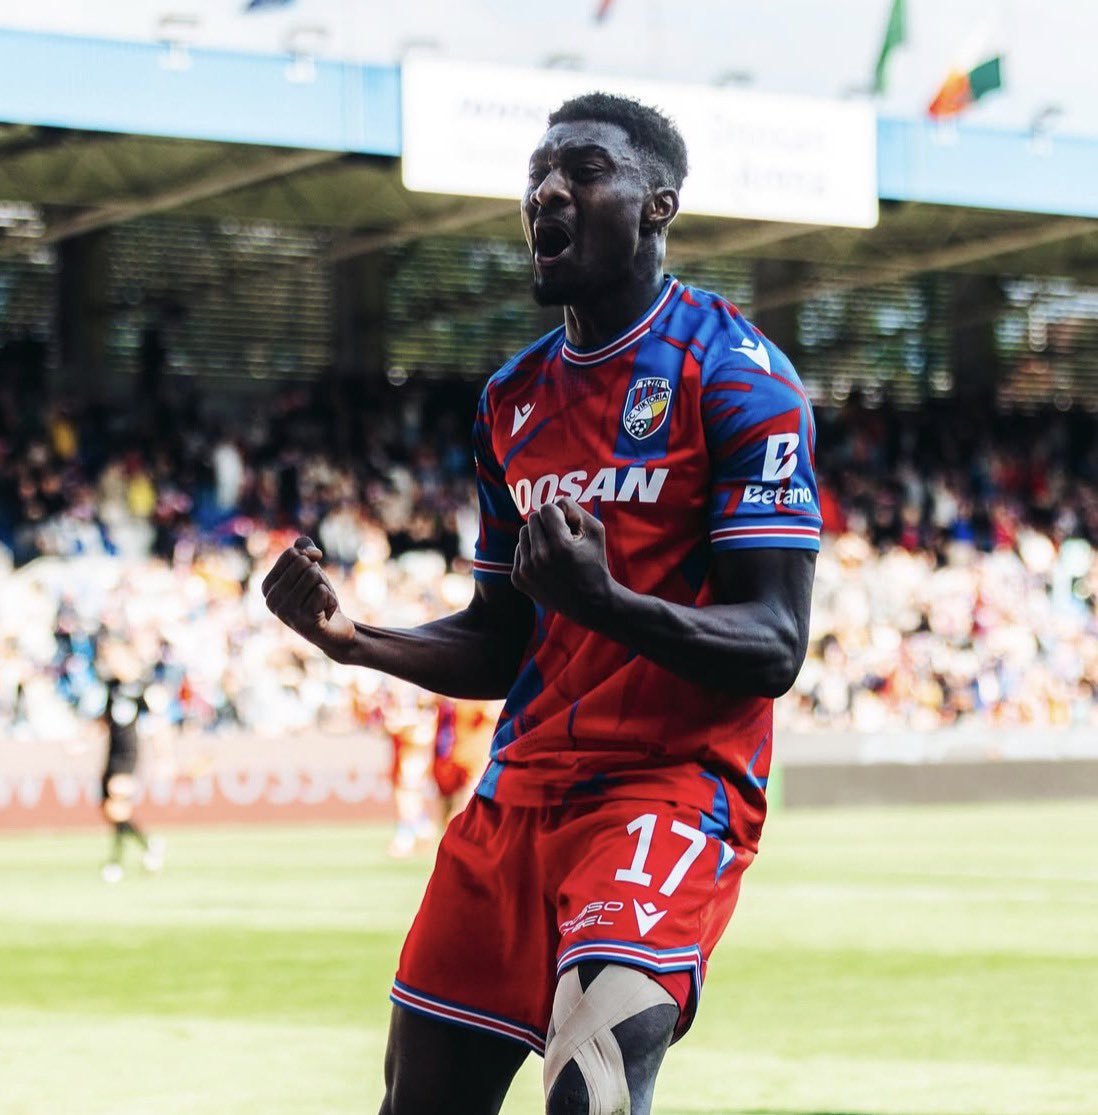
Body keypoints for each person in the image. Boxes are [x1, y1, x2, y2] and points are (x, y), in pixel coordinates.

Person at [262, 92, 818, 1115]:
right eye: (537, 177)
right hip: (514, 799)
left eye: (585, 171)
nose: (548, 192)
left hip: (666, 791)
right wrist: (356, 640)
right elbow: (497, 640)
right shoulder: (510, 402)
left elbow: (775, 644)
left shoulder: (739, 378)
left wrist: (606, 601)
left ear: (658, 205)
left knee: (593, 1082)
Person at [97, 640, 165, 883]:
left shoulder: (142, 688)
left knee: (118, 806)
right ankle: (149, 845)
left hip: (128, 755)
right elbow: (105, 720)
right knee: (111, 811)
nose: (111, 664)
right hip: (111, 754)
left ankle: (115, 863)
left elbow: (156, 724)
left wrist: (162, 757)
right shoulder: (112, 687)